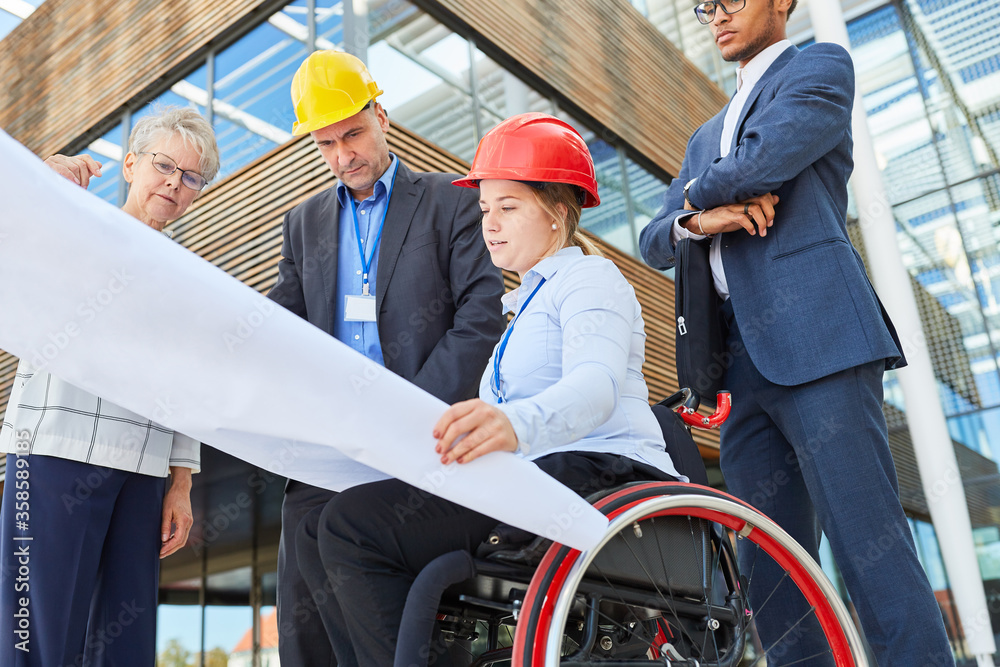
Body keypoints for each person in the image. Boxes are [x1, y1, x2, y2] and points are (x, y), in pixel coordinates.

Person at [294, 112, 684, 666]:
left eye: (509, 207)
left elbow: (595, 387)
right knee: (315, 526)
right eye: (484, 210)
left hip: (600, 480)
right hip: (535, 483)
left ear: (557, 210)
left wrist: (511, 425)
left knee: (352, 528)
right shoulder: (518, 311)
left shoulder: (590, 280)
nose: (490, 224)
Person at [639, 0, 953, 663]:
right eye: (704, 6)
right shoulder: (706, 134)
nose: (715, 15)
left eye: (731, 0)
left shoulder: (820, 69)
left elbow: (760, 164)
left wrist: (694, 199)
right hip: (738, 368)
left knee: (868, 543)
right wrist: (703, 219)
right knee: (770, 561)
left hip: (820, 342)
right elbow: (652, 238)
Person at [268, 50, 506, 666]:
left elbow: (480, 315)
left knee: (392, 621)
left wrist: (409, 412)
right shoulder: (302, 225)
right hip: (331, 451)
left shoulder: (450, 203)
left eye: (353, 133)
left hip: (418, 440)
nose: (344, 154)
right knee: (307, 625)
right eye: (327, 143)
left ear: (382, 116)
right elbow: (283, 334)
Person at [0, 106, 219, 667]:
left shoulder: (189, 278)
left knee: (124, 645)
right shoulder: (69, 225)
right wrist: (37, 186)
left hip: (143, 471)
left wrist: (181, 484)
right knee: (39, 637)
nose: (174, 182)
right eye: (164, 165)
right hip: (54, 450)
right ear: (129, 164)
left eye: (190, 176)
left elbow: (187, 386)